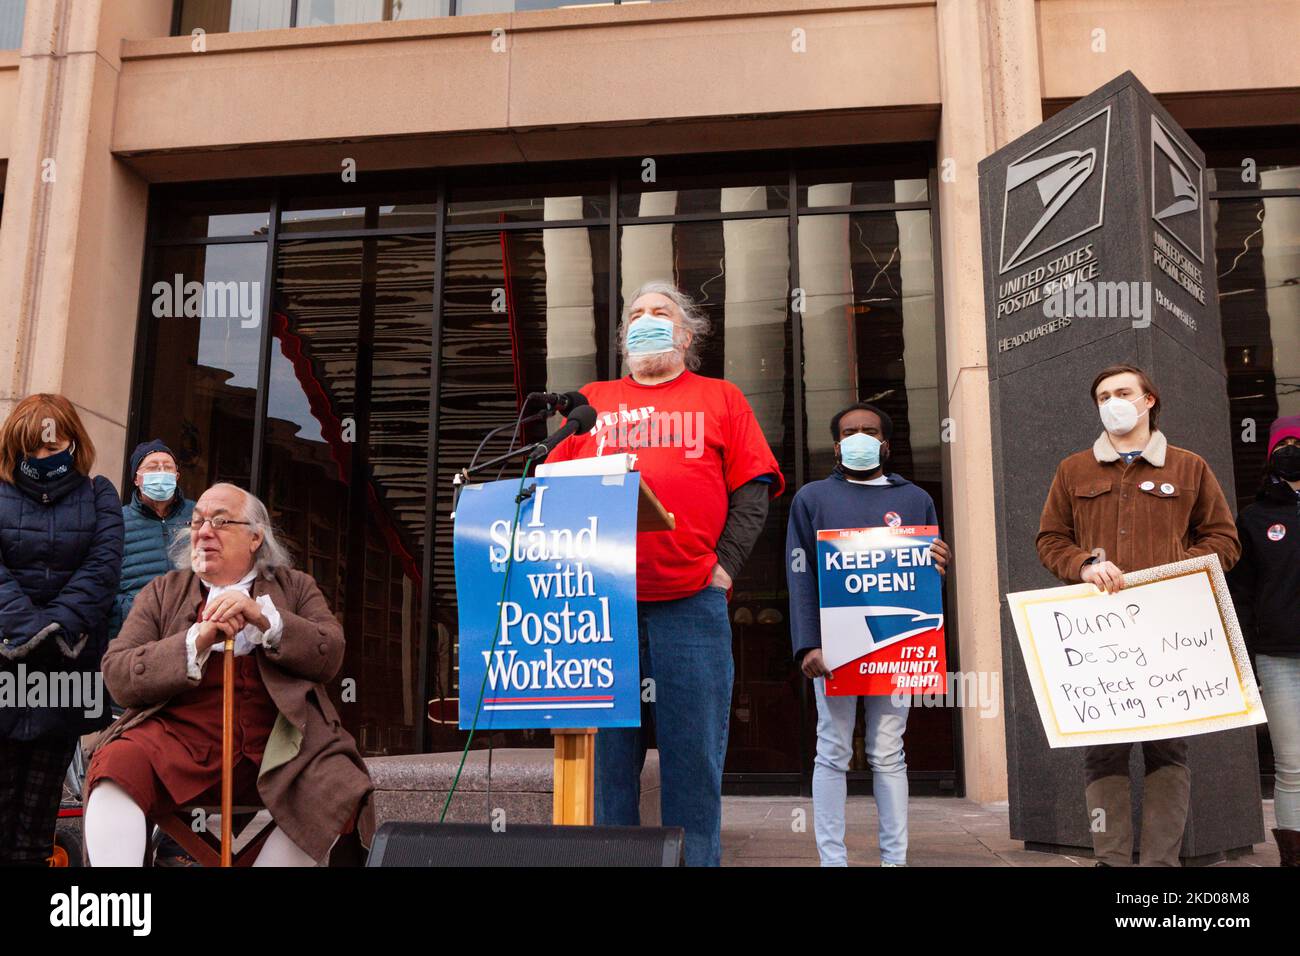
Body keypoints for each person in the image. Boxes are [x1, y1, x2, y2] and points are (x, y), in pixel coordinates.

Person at [545, 280, 783, 866]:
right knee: (608, 763)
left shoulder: (721, 398)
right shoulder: (590, 402)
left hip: (691, 603)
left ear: (687, 334)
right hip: (601, 605)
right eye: (636, 314)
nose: (646, 321)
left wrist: (723, 568)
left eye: (661, 313)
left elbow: (753, 491)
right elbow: (547, 487)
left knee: (692, 757)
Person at [82, 483, 372, 866]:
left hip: (279, 742)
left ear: (256, 537)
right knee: (117, 766)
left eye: (220, 522)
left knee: (337, 783)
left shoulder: (295, 586)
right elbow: (117, 672)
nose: (203, 532)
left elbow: (330, 653)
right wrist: (194, 641)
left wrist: (264, 618)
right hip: (176, 739)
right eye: (198, 521)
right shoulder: (160, 592)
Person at [1036, 364, 1239, 866]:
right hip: (1100, 634)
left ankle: (1159, 866)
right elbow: (1050, 539)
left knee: (1167, 749)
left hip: (1168, 630)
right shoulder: (1074, 470)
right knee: (1103, 749)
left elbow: (1224, 540)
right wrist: (1082, 565)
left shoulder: (1189, 467)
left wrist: (1177, 575)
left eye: (1123, 392)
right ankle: (1110, 859)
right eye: (1103, 395)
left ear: (1149, 399)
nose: (1112, 402)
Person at [786, 402, 950, 866]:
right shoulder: (812, 499)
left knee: (888, 751)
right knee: (832, 749)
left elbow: (921, 583)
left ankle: (894, 861)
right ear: (837, 445)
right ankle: (832, 861)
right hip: (835, 647)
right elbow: (800, 575)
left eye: (869, 430)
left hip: (898, 646)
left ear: (886, 443)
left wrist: (938, 566)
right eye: (850, 431)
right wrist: (807, 642)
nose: (859, 436)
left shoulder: (916, 499)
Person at [0, 394, 125, 866]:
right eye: (32, 451)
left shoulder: (99, 495)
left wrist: (54, 632)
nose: (42, 458)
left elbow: (102, 572)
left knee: (38, 826)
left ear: (75, 441)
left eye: (52, 448)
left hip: (66, 673)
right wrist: (26, 631)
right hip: (3, 666)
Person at [1228, 415, 1300, 867]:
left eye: (1299, 442)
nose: (1292, 449)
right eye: (1284, 443)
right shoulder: (1254, 519)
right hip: (1278, 660)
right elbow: (1241, 595)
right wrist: (1245, 658)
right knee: (1292, 768)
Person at [111, 439, 195, 641]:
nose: (161, 472)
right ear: (136, 479)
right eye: (152, 467)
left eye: (167, 468)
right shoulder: (116, 521)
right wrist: (126, 612)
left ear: (176, 477)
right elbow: (103, 580)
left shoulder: (198, 514)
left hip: (189, 630)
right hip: (136, 631)